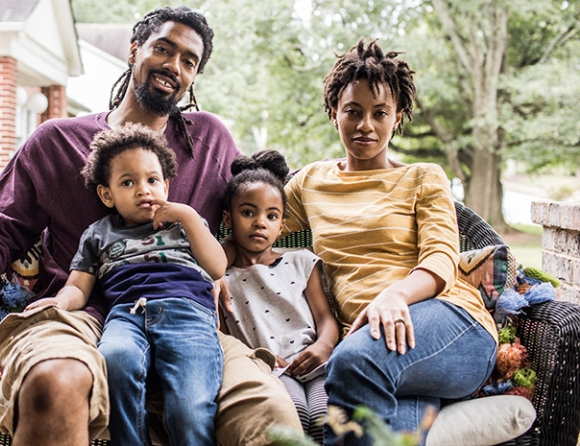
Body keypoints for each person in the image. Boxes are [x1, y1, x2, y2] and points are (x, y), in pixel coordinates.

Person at [0, 5, 302, 446]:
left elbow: (260, 203)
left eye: (189, 61)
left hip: (188, 318)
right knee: (53, 382)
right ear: (135, 50)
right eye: (163, 48)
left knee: (271, 416)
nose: (173, 66)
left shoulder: (209, 140)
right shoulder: (57, 142)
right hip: (80, 315)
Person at [280, 39, 498, 445]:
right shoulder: (310, 182)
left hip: (452, 324)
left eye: (380, 113)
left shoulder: (423, 177)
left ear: (397, 118)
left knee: (354, 362)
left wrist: (395, 296)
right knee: (390, 430)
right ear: (334, 114)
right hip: (384, 346)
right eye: (353, 112)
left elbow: (441, 257)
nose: (366, 125)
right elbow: (255, 226)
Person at [27, 124, 225, 445]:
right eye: (128, 182)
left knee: (190, 407)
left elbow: (217, 268)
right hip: (127, 316)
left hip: (189, 315)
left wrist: (188, 216)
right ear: (107, 195)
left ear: (166, 185)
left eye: (152, 180)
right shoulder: (98, 234)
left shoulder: (185, 223)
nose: (143, 190)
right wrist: (60, 302)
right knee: (115, 360)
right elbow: (78, 286)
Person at [220, 149, 340, 443]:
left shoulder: (300, 261)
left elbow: (326, 318)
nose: (260, 222)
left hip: (314, 362)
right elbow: (222, 335)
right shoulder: (222, 279)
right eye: (248, 212)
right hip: (268, 371)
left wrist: (323, 346)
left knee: (326, 418)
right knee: (292, 416)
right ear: (228, 219)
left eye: (271, 216)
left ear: (281, 226)